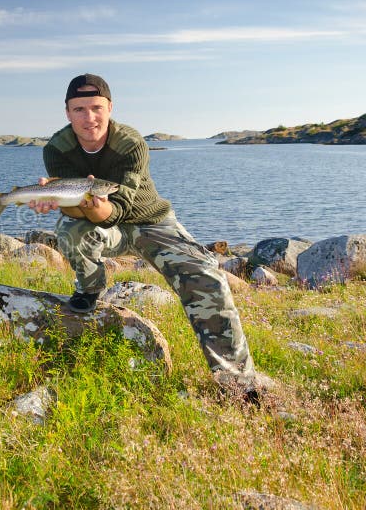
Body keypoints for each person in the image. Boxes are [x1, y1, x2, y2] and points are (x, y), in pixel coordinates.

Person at [30, 73, 267, 396]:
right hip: (101, 225)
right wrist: (58, 201)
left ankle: (237, 382)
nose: (89, 118)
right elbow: (77, 212)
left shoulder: (130, 143)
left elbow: (120, 209)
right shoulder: (57, 148)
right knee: (69, 231)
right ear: (67, 112)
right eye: (80, 109)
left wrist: (93, 205)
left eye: (96, 107)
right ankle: (90, 288)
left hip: (152, 222)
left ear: (110, 107)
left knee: (207, 276)